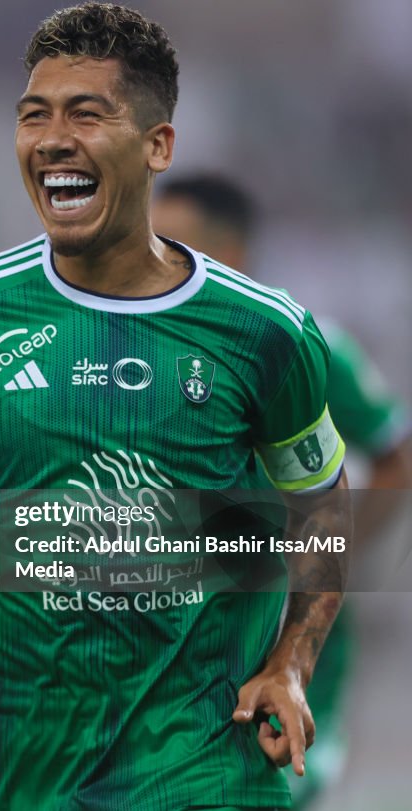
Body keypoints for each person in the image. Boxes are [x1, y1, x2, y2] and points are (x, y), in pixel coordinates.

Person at [0, 4, 351, 810]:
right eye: (33, 116)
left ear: (157, 146)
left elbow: (322, 498)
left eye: (86, 113)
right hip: (25, 779)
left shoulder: (264, 331)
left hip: (208, 776)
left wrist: (291, 662)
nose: (52, 138)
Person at [153, 172, 412, 809]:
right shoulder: (140, 353)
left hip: (286, 630)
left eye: (169, 243)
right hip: (184, 627)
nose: (149, 258)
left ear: (229, 253)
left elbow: (397, 456)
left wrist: (330, 553)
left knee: (275, 783)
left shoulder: (301, 341)